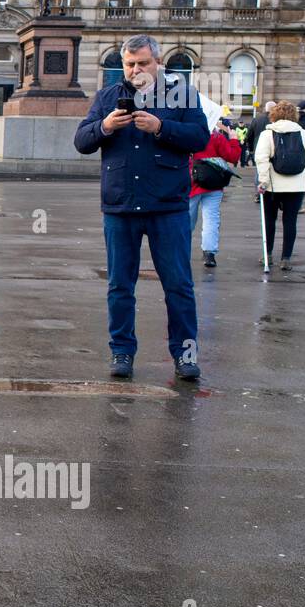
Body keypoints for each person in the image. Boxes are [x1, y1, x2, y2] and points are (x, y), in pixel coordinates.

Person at [74, 34, 210, 381]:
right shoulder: (108, 96)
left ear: (158, 63)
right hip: (120, 205)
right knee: (120, 285)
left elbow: (200, 138)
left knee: (178, 284)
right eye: (130, 63)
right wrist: (104, 126)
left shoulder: (182, 93)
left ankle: (185, 355)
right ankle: (121, 352)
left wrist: (161, 127)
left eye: (143, 63)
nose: (136, 69)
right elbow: (81, 141)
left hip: (168, 206)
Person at [255, 101, 305, 272]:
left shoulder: (267, 134)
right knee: (290, 221)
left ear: (274, 115)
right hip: (296, 186)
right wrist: (304, 174)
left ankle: (267, 254)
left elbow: (261, 159)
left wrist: (263, 180)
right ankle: (286, 258)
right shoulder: (304, 134)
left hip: (272, 185)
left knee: (270, 221)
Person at [187, 115, 242, 268]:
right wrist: (233, 139)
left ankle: (182, 252)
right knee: (211, 219)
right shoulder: (216, 137)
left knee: (186, 221)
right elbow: (233, 156)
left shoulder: (188, 136)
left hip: (191, 183)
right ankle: (209, 254)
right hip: (213, 183)